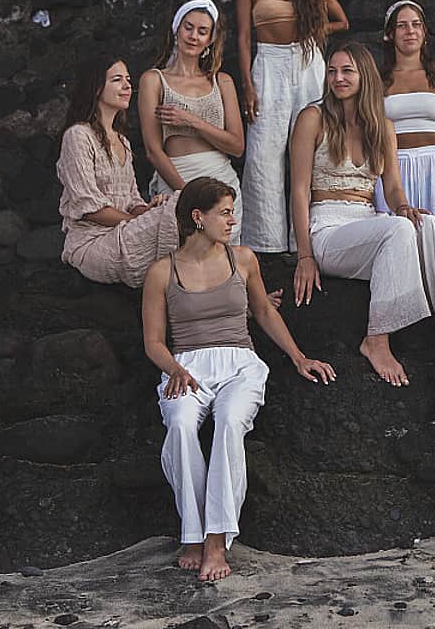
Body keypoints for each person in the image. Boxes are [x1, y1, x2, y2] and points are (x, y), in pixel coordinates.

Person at [289, 42, 435, 387]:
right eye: (332, 71)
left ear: (365, 76)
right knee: (398, 229)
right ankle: (376, 339)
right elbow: (299, 190)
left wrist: (403, 208)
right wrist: (304, 256)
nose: (338, 78)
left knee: (424, 222)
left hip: (365, 220)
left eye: (347, 71)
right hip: (327, 227)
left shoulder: (382, 127)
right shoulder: (313, 118)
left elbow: (393, 186)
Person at [143, 177, 335, 582]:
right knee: (180, 425)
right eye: (225, 213)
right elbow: (154, 342)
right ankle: (192, 533)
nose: (232, 221)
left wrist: (298, 357)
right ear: (198, 217)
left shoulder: (243, 259)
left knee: (229, 422)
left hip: (239, 364)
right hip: (186, 367)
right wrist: (174, 369)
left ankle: (215, 539)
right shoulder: (162, 271)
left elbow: (263, 312)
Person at [236, 0, 349, 253]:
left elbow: (342, 20)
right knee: (263, 152)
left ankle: (309, 237)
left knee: (312, 146)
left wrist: (314, 30)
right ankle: (266, 242)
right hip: (268, 63)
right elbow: (243, 38)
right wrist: (248, 86)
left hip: (307, 61)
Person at [57, 55, 179, 287]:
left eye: (128, 80)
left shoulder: (123, 141)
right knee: (184, 206)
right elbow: (89, 208)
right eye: (117, 80)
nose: (127, 86)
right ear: (96, 88)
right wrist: (141, 221)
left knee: (190, 206)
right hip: (93, 243)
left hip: (126, 231)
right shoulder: (78, 136)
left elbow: (133, 200)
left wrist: (148, 210)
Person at [375, 0, 435, 280]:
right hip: (392, 170)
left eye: (416, 24)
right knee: (399, 247)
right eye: (402, 26)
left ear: (425, 33)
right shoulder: (377, 83)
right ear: (389, 34)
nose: (410, 31)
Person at [139, 0, 246, 244]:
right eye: (188, 27)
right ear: (176, 29)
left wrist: (190, 120)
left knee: (223, 256)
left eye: (202, 31)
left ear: (210, 40)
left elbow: (237, 146)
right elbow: (153, 151)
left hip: (221, 180)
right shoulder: (153, 80)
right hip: (177, 179)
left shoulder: (222, 82)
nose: (193, 36)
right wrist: (188, 195)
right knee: (183, 252)